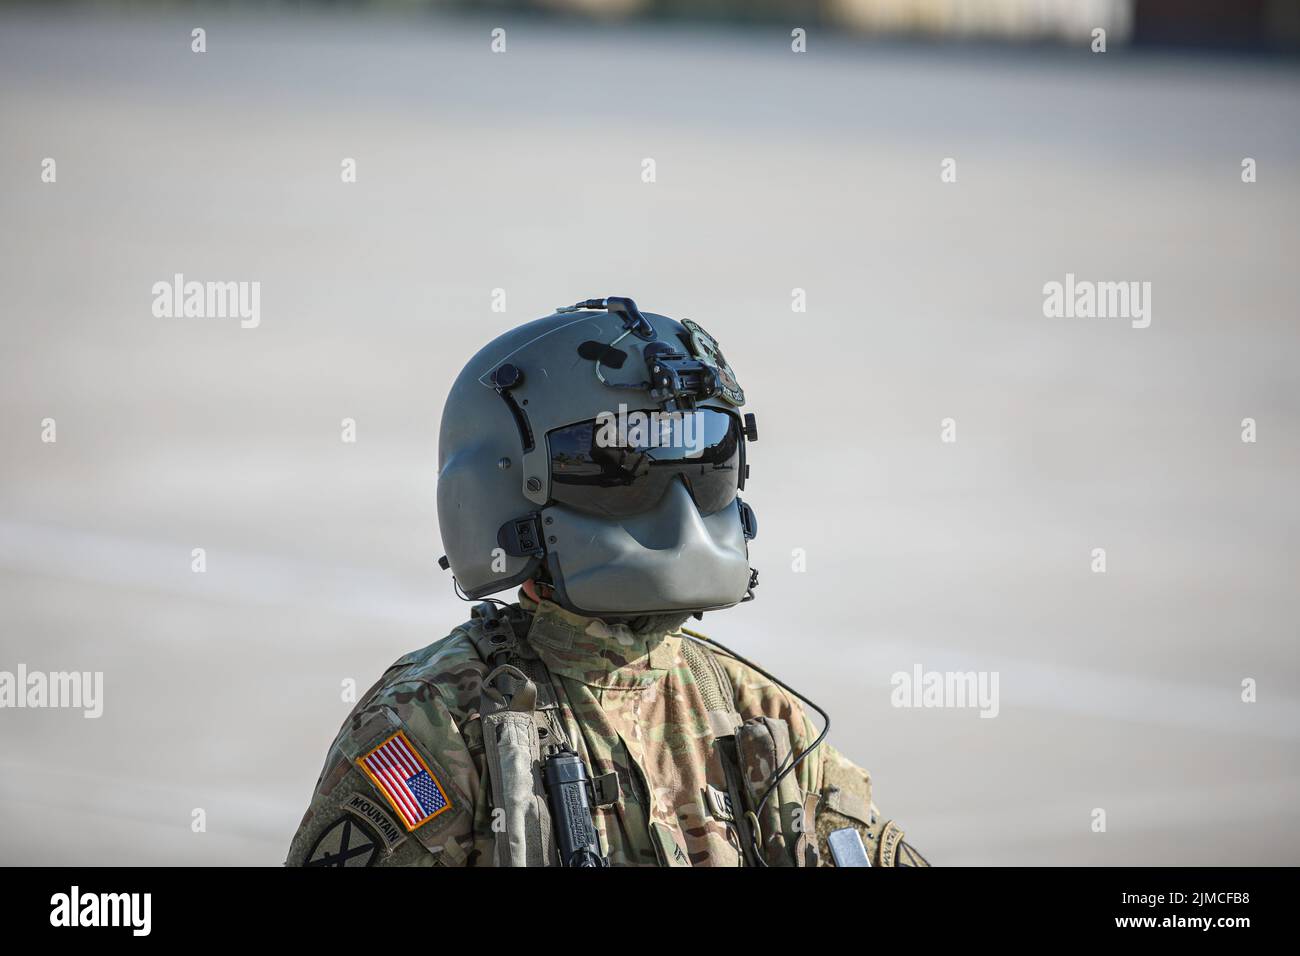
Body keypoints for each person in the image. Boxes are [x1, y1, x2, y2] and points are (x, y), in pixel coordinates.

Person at [286, 297, 928, 867]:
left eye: (702, 465)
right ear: (507, 494)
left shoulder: (762, 719)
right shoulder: (439, 727)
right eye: (623, 470)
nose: (677, 512)